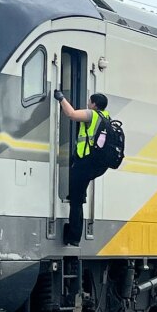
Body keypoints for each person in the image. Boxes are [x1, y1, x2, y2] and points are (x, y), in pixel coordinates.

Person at [54, 90, 110, 246]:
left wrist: (61, 98)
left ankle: (73, 237)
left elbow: (71, 114)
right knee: (78, 194)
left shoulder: (92, 115)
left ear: (94, 104)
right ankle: (75, 232)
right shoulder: (106, 117)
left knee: (76, 200)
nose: (87, 104)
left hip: (86, 162)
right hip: (96, 164)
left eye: (89, 102)